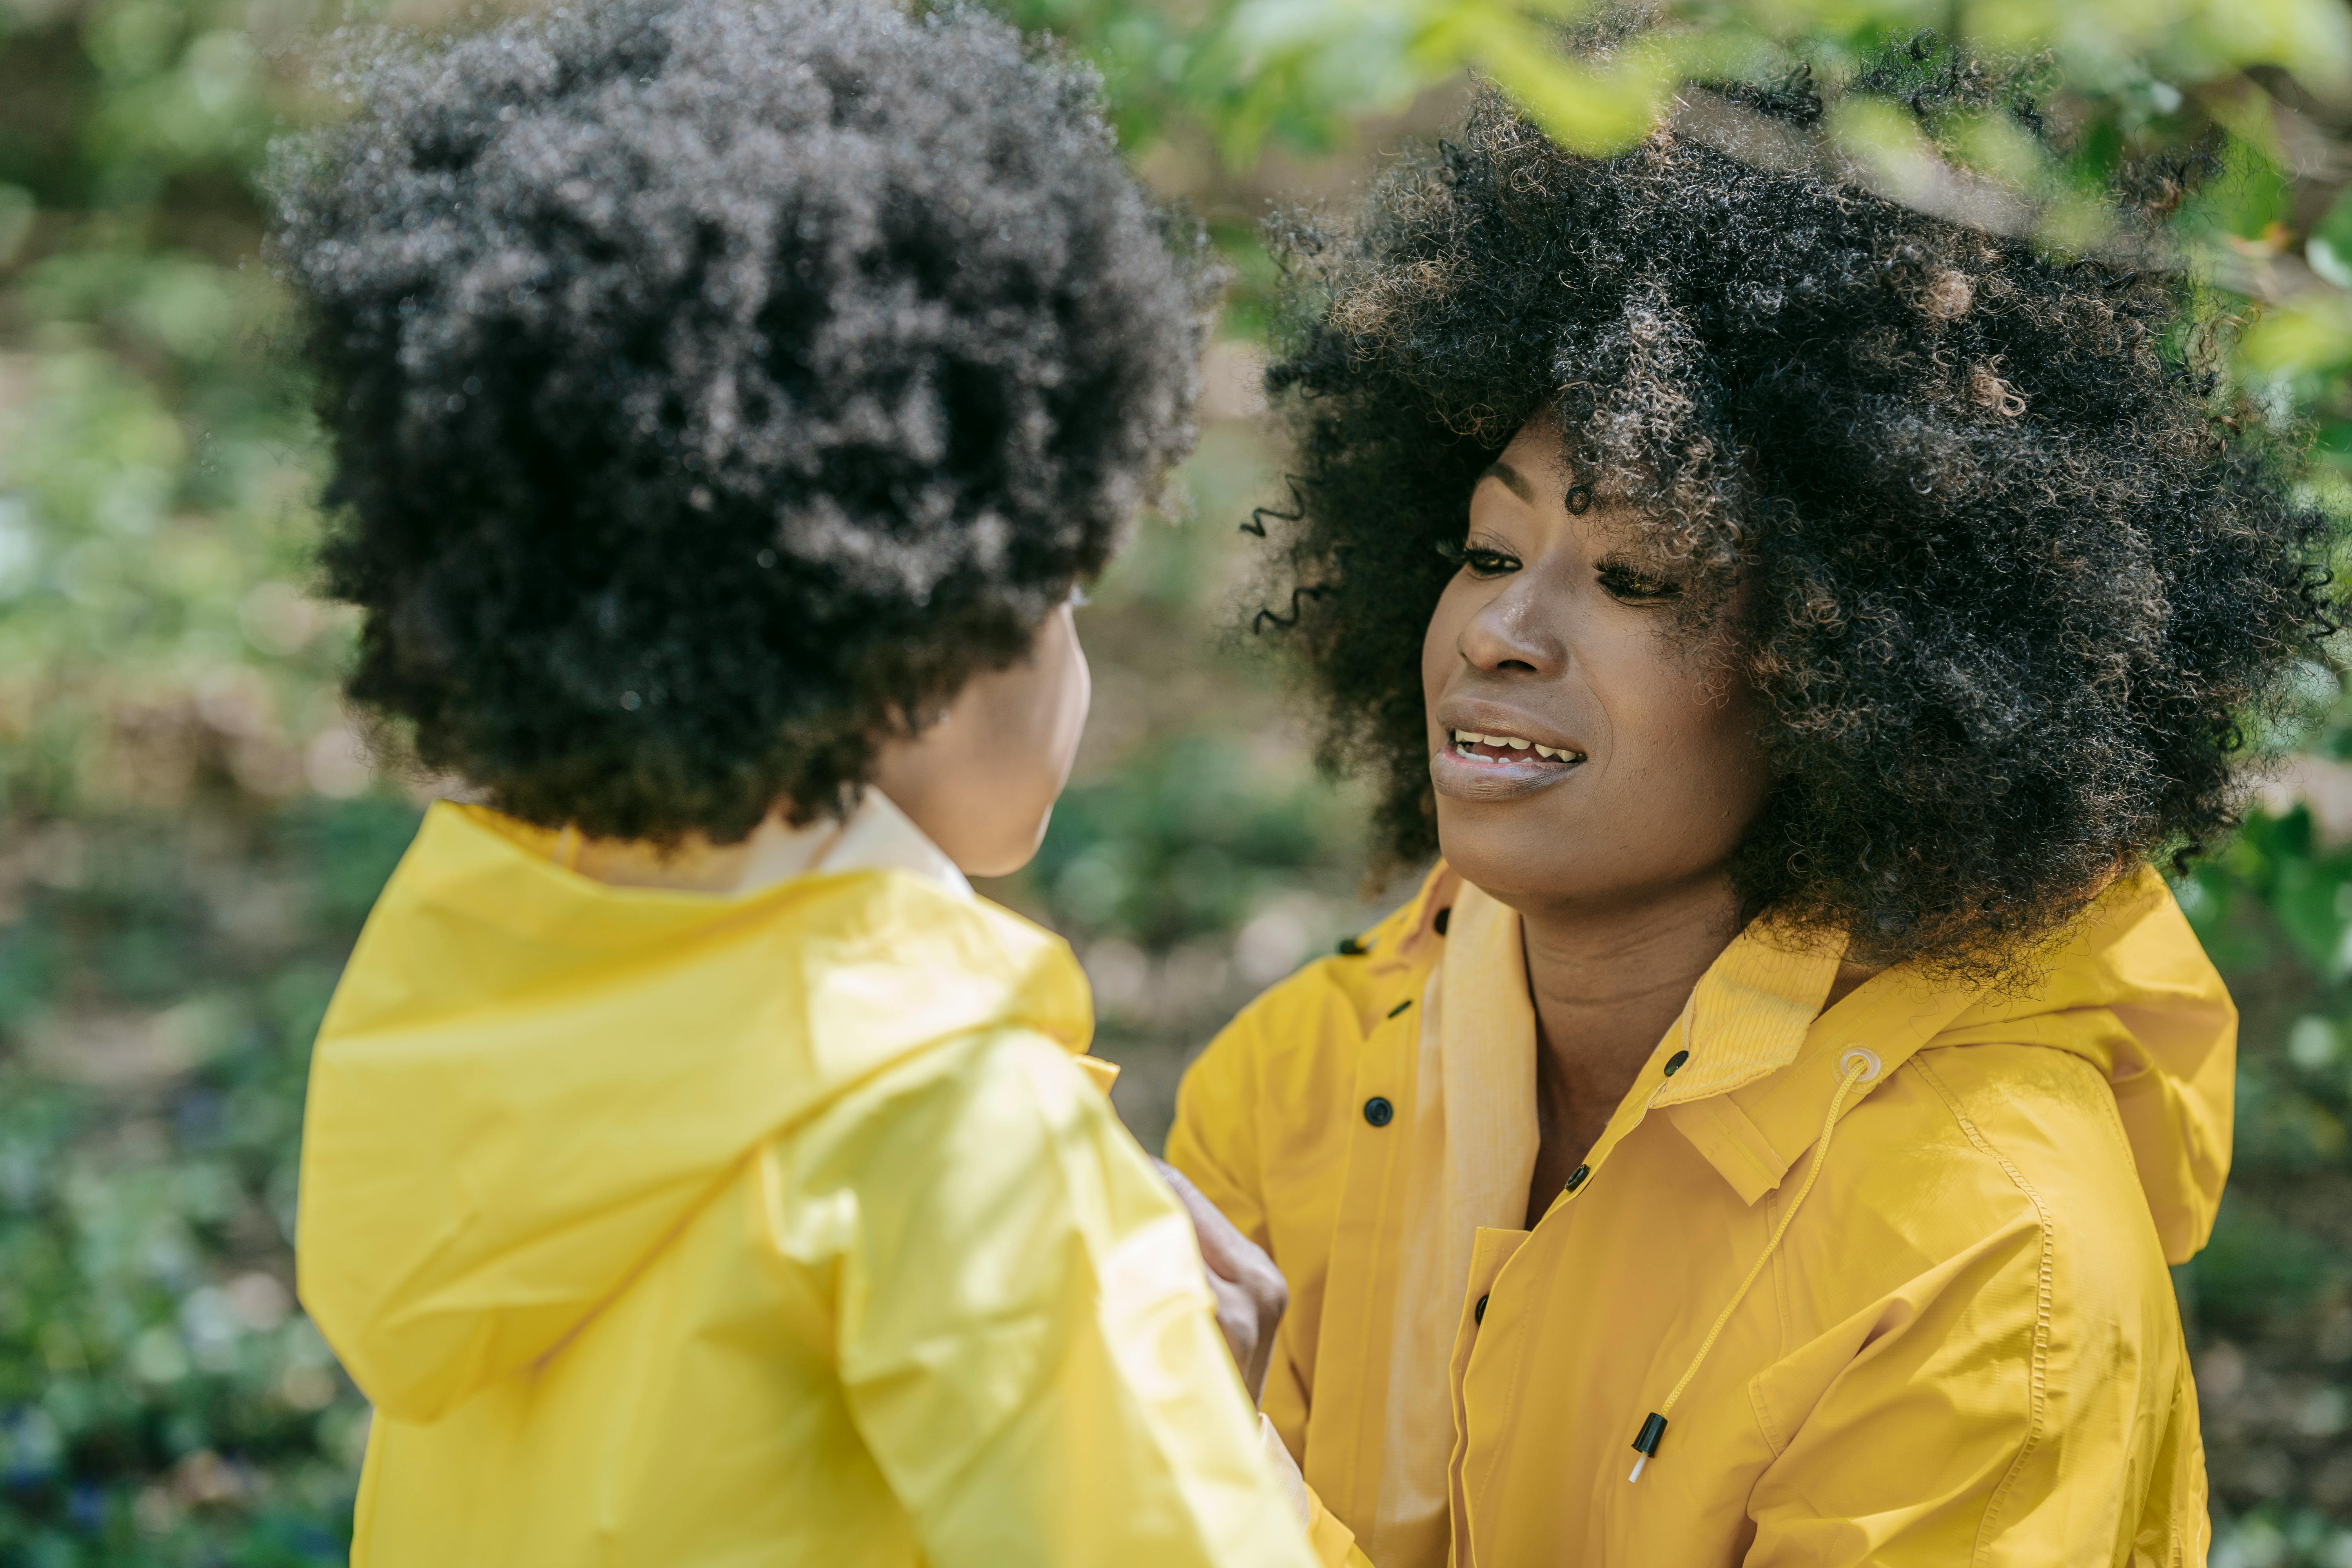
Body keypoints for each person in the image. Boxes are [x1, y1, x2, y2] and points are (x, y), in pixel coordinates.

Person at [1168, 53, 2327, 1568]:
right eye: (1485, 546)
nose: (1501, 632)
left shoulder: (1989, 1245)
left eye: (1640, 577)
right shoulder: (1298, 1077)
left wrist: (1198, 1491)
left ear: (1860, 669)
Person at [274, 2, 1348, 1563]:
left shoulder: (482, 1048)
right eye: (1066, 582)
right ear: (916, 615)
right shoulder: (948, 1129)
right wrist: (1218, 1437)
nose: (1080, 655)